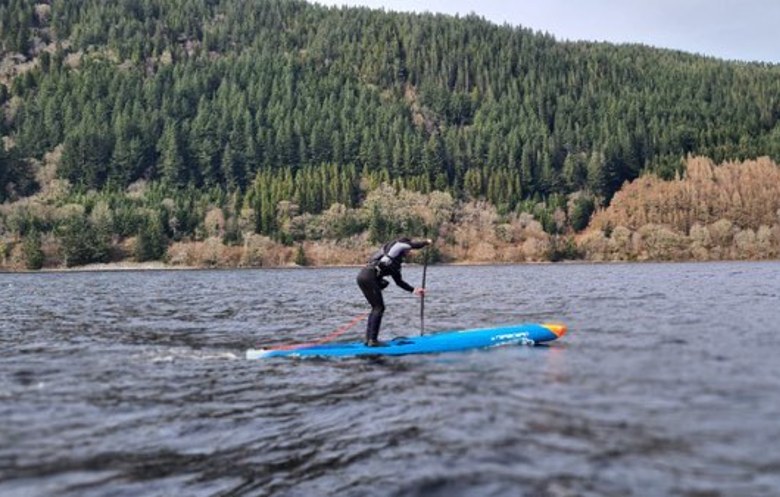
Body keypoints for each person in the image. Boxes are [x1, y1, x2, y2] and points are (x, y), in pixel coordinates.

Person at [357, 237, 432, 346]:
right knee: (379, 308)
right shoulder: (395, 248)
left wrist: (414, 290)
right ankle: (372, 341)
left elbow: (399, 282)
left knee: (376, 308)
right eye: (408, 249)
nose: (409, 251)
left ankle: (369, 340)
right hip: (368, 276)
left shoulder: (395, 262)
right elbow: (411, 244)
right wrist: (426, 242)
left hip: (365, 277)